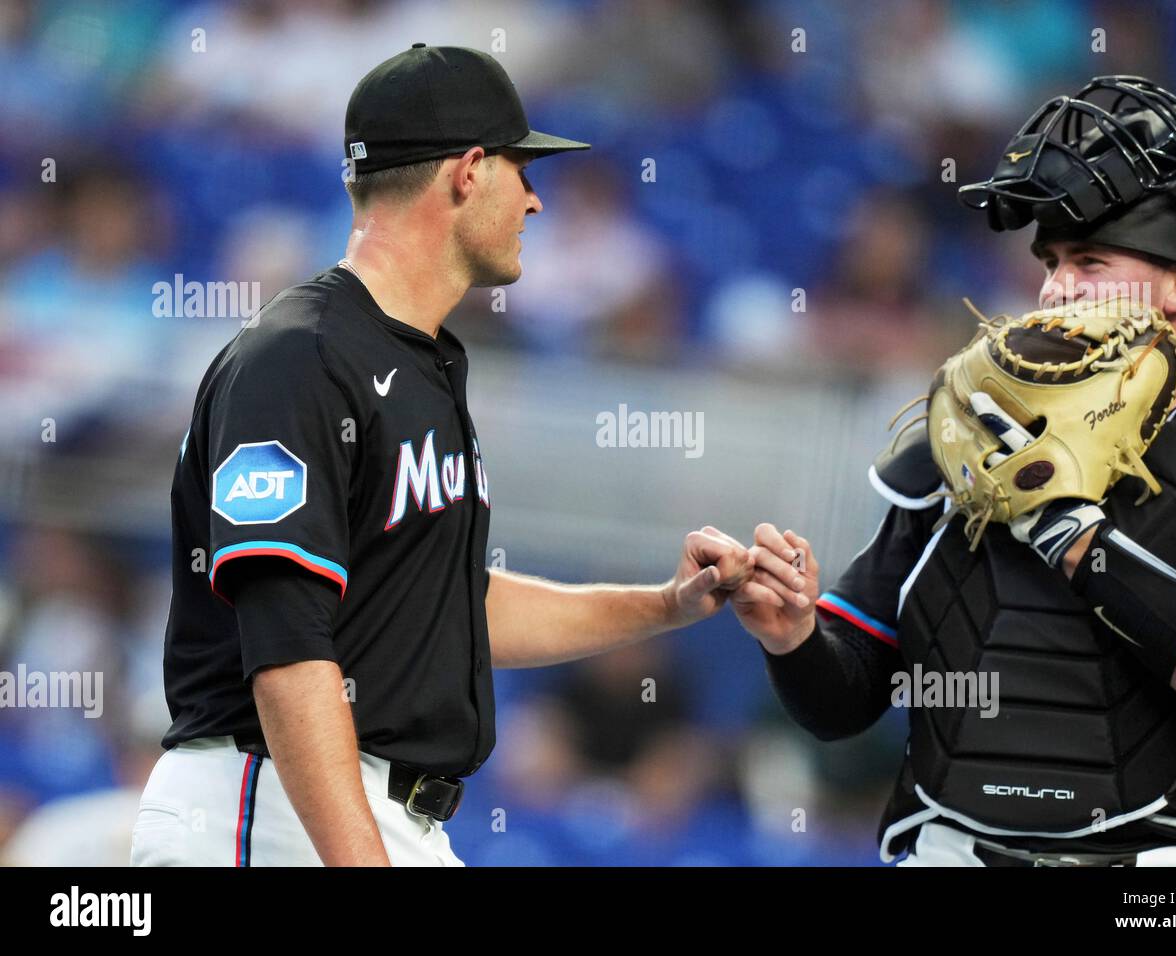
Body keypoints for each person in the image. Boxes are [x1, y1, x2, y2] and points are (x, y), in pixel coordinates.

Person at [131, 45, 754, 867]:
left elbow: (449, 609)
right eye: (521, 168)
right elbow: (287, 651)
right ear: (466, 171)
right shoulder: (300, 357)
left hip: (369, 814)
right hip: (273, 805)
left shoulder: (422, 362)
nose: (535, 199)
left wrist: (663, 605)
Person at [731, 76, 1176, 866]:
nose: (1059, 287)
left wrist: (1072, 534)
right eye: (1052, 261)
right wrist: (793, 636)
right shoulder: (966, 445)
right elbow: (845, 702)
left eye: (1092, 261)